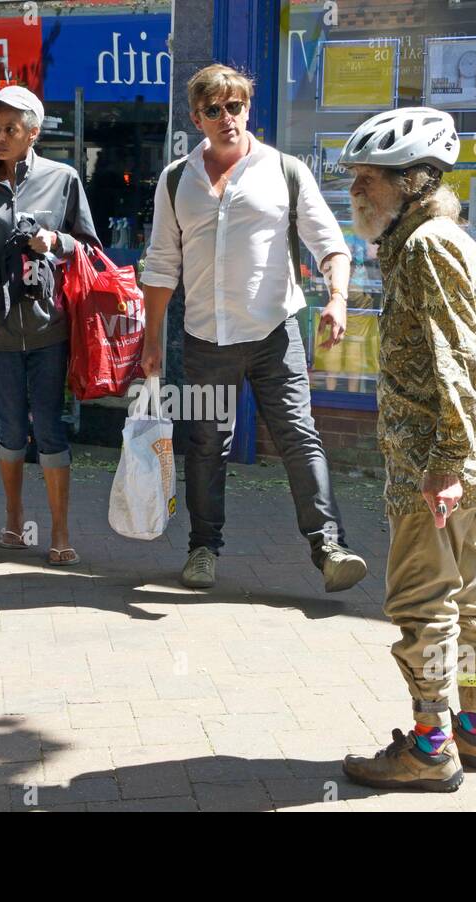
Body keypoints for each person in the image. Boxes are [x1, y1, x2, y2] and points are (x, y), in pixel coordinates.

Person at [337, 107, 476, 792]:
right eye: (354, 177)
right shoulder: (437, 237)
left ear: (413, 180)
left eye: (369, 179)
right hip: (468, 460)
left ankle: (429, 745)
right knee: (470, 596)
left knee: (423, 602)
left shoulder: (427, 247)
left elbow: (459, 360)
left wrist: (442, 464)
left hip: (435, 468)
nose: (356, 190)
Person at [138, 64, 367, 594]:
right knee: (205, 445)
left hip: (274, 337)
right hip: (204, 341)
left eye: (235, 106)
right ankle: (202, 549)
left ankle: (330, 548)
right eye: (214, 110)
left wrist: (337, 299)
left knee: (299, 439)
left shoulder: (283, 171)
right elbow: (160, 267)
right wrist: (152, 342)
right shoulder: (176, 180)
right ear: (197, 117)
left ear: (247, 108)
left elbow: (330, 243)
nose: (227, 118)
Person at [0, 85, 99, 566]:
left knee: (52, 429)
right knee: (12, 426)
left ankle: (59, 530)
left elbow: (90, 249)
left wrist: (53, 241)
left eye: (10, 129)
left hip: (49, 327)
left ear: (33, 133)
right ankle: (14, 519)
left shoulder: (64, 179)